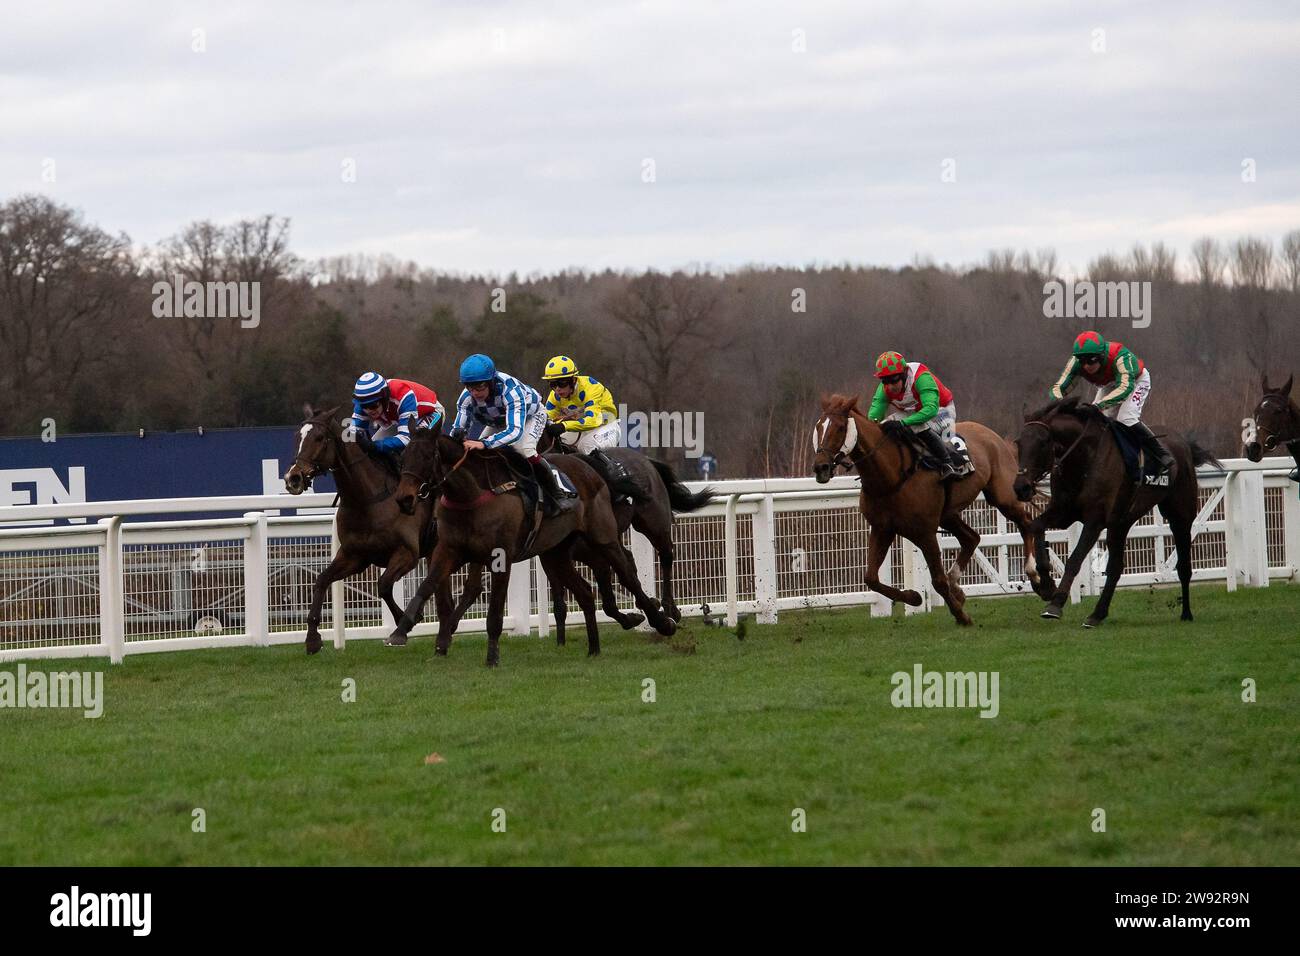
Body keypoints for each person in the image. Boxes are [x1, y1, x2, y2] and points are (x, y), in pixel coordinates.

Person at [448, 353, 576, 517]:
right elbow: (458, 428)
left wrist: (485, 443)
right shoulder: (466, 398)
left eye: (479, 386)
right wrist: (458, 437)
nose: (475, 393)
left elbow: (514, 432)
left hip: (530, 416)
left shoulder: (511, 391)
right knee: (479, 452)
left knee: (524, 450)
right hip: (498, 421)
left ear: (491, 382)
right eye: (469, 387)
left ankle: (557, 493)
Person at [1050, 330, 1173, 472]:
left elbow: (1126, 388)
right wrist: (1056, 405)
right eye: (1082, 361)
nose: (1086, 366)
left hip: (1135, 381)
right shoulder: (1075, 362)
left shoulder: (1120, 356)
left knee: (1126, 417)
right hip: (1110, 384)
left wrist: (1099, 405)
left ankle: (1161, 453)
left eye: (1091, 360)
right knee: (1096, 420)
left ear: (1102, 356)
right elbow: (1059, 387)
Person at [868, 350, 961, 480]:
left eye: (894, 380)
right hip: (915, 413)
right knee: (886, 425)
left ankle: (948, 464)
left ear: (904, 373)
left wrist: (902, 423)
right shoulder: (884, 389)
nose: (890, 386)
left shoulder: (921, 377)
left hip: (942, 411)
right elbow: (873, 419)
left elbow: (931, 409)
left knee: (914, 425)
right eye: (885, 380)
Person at [539, 354, 630, 485]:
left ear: (573, 379)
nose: (557, 389)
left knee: (586, 445)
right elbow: (545, 418)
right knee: (556, 441)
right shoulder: (555, 396)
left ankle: (618, 478)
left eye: (562, 383)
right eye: (553, 384)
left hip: (605, 425)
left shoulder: (590, 387)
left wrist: (564, 426)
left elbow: (593, 420)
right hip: (581, 427)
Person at [350, 372, 444, 461]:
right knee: (374, 451)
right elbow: (350, 434)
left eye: (373, 405)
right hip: (400, 419)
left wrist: (375, 446)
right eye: (364, 406)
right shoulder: (362, 400)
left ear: (384, 398)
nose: (369, 411)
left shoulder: (403, 395)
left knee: (416, 445)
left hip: (431, 412)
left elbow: (406, 439)